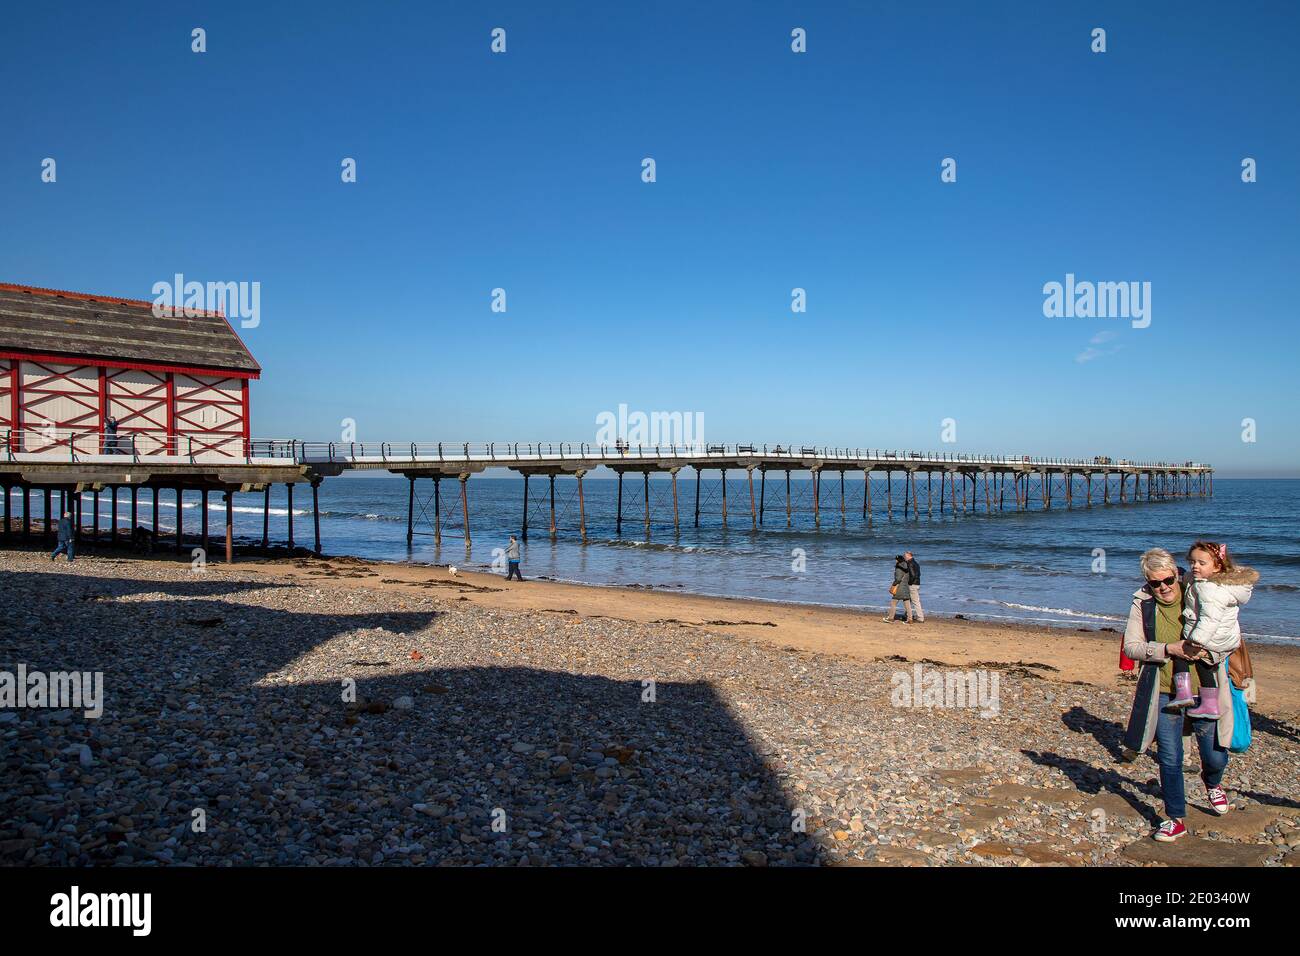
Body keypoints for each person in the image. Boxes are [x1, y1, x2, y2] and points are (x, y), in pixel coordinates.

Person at [1120, 548, 1234, 843]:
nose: (1164, 588)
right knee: (1170, 758)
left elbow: (1228, 633)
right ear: (1147, 582)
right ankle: (1176, 818)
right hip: (1164, 690)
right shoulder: (1142, 603)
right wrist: (1167, 649)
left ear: (1176, 573)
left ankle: (1213, 783)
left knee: (1215, 754)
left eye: (1168, 580)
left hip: (1204, 689)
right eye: (1156, 583)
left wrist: (1208, 650)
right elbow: (1131, 647)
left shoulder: (1201, 591)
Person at [1169, 541, 1257, 718]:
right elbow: (1191, 580)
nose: (1195, 567)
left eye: (1202, 563)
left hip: (1210, 637)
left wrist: (1195, 641)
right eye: (1192, 562)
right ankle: (1210, 705)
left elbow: (1210, 619)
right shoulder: (1205, 580)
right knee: (1205, 666)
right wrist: (1180, 574)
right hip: (1221, 638)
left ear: (1217, 567)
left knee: (1181, 655)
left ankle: (1183, 694)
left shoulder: (1211, 589)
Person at [882, 555, 913, 623]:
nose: (895, 561)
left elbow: (898, 579)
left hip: (899, 587)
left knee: (893, 602)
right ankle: (910, 619)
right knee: (907, 604)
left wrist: (893, 584)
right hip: (906, 587)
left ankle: (890, 618)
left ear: (898, 560)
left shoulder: (899, 567)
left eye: (896, 560)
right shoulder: (907, 566)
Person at [904, 550, 924, 622]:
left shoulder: (910, 563)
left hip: (912, 585)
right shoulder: (916, 563)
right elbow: (919, 574)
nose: (904, 557)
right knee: (909, 601)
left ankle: (920, 618)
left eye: (905, 556)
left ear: (909, 556)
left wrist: (909, 583)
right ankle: (907, 615)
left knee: (915, 601)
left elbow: (912, 575)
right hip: (917, 583)